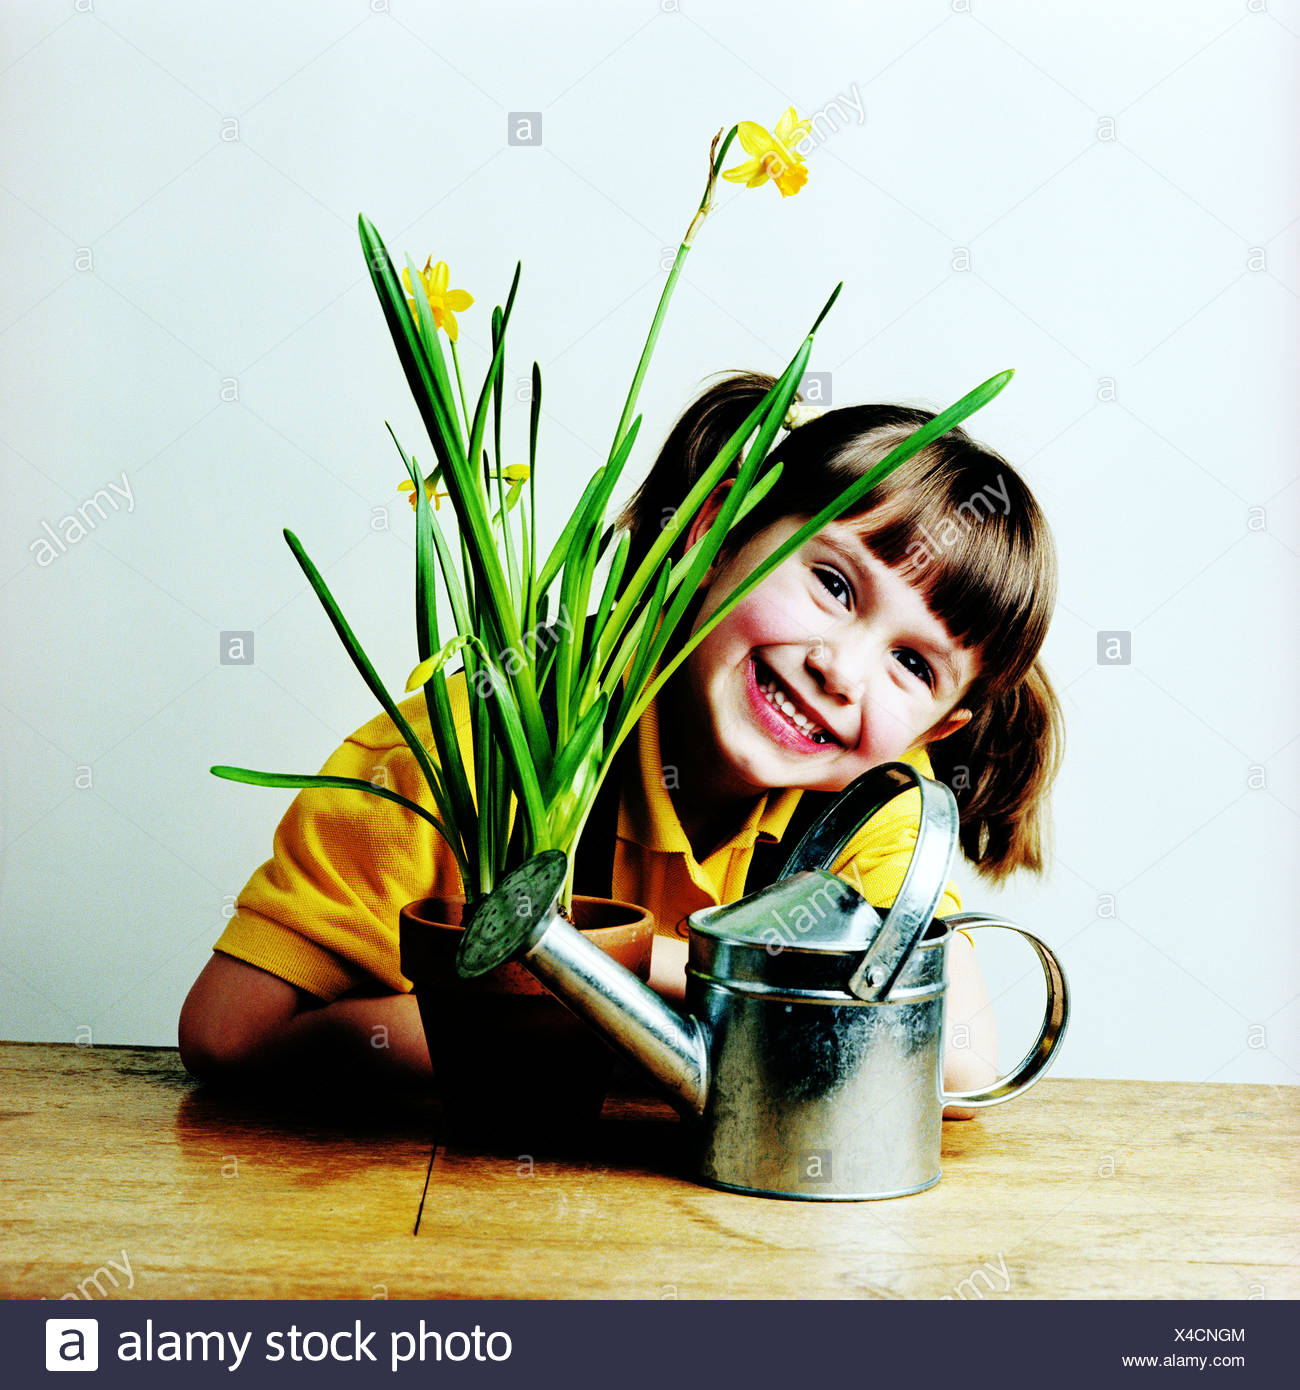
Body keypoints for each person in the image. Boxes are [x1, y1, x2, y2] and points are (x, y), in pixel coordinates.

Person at [179, 371, 1064, 1121]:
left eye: (912, 664)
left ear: (938, 728)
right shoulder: (459, 757)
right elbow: (228, 1031)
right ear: (711, 535)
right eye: (833, 584)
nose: (844, 670)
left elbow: (956, 1066)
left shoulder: (875, 808)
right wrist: (491, 1033)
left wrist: (621, 976)